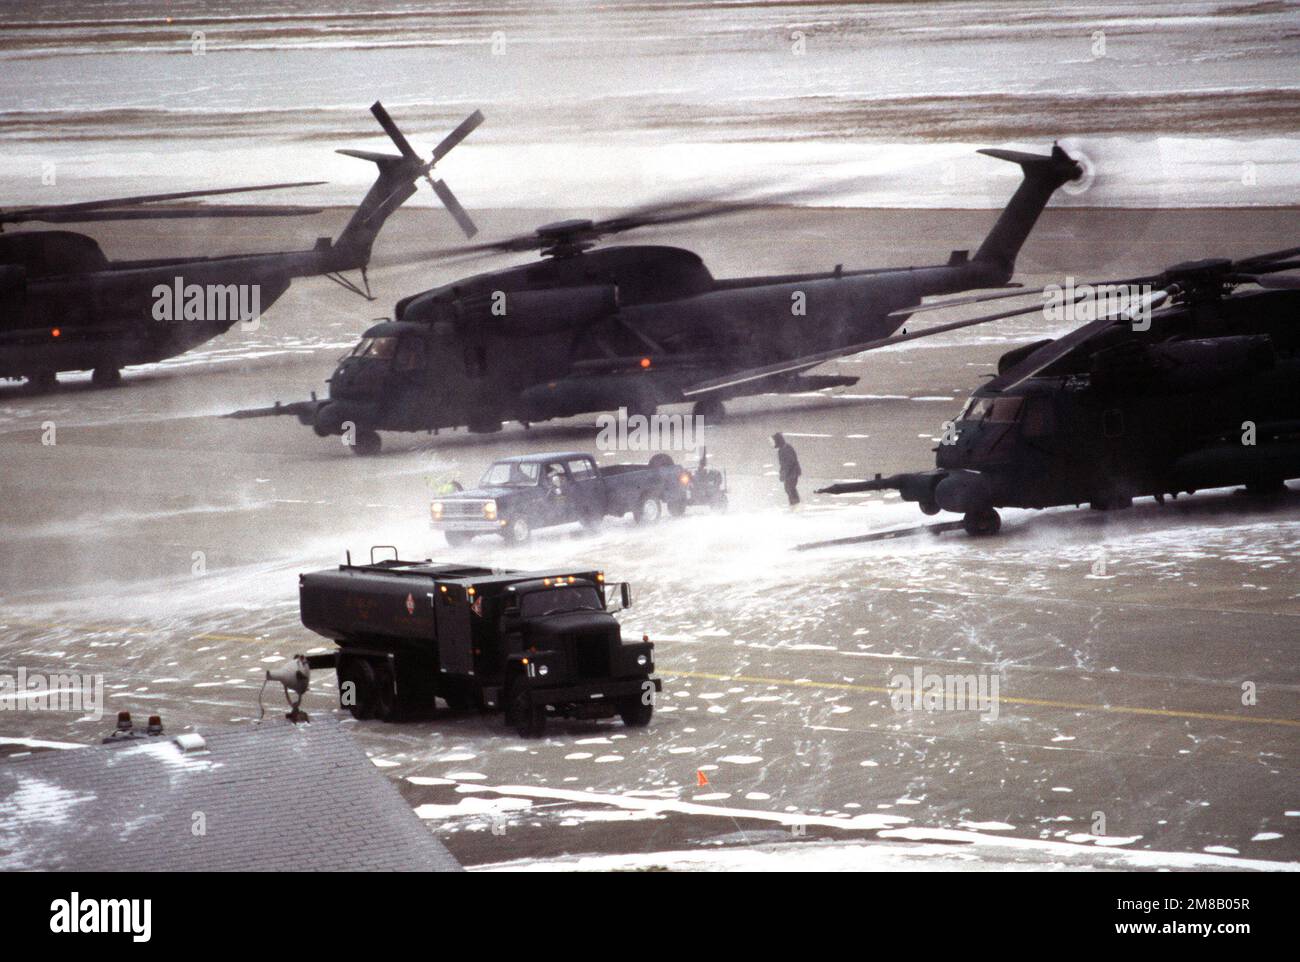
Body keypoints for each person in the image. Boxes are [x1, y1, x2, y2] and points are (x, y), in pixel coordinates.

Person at [773, 432, 801, 508]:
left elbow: (788, 464)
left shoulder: (784, 450)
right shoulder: (785, 448)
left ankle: (795, 505)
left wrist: (784, 474)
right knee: (790, 489)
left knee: (790, 488)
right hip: (792, 472)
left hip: (791, 473)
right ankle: (795, 504)